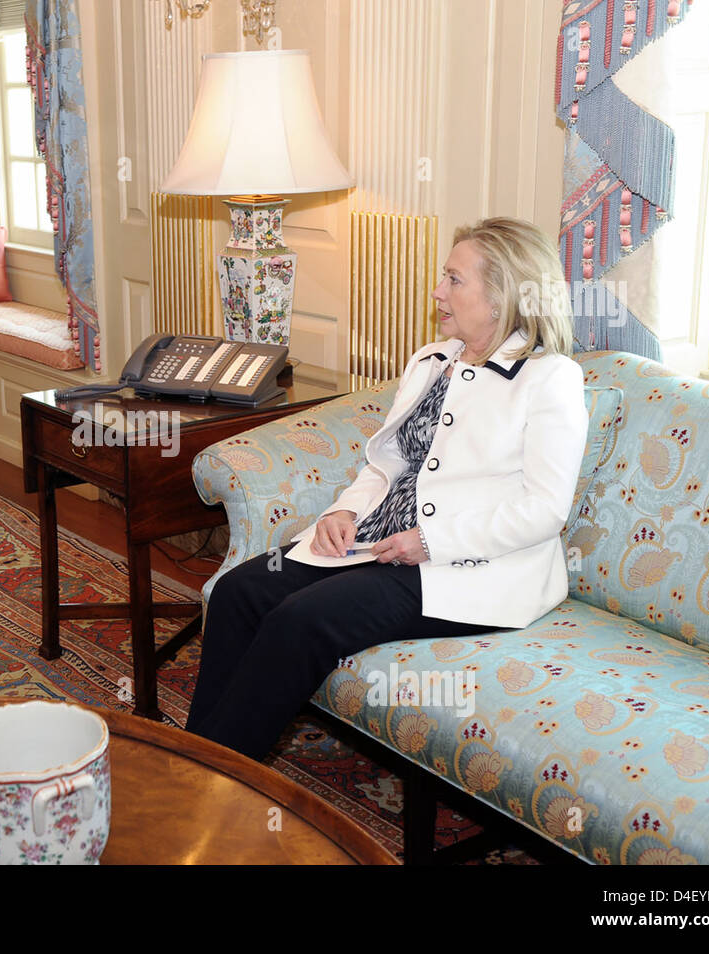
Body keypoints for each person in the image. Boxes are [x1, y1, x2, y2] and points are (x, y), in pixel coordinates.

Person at [186, 217, 588, 760]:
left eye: (454, 280)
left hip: (462, 567)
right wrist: (342, 512)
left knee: (299, 621)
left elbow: (544, 509)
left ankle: (217, 783)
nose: (437, 292)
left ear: (502, 298)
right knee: (240, 591)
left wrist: (433, 541)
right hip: (378, 540)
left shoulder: (549, 378)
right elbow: (386, 465)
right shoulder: (432, 361)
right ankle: (195, 761)